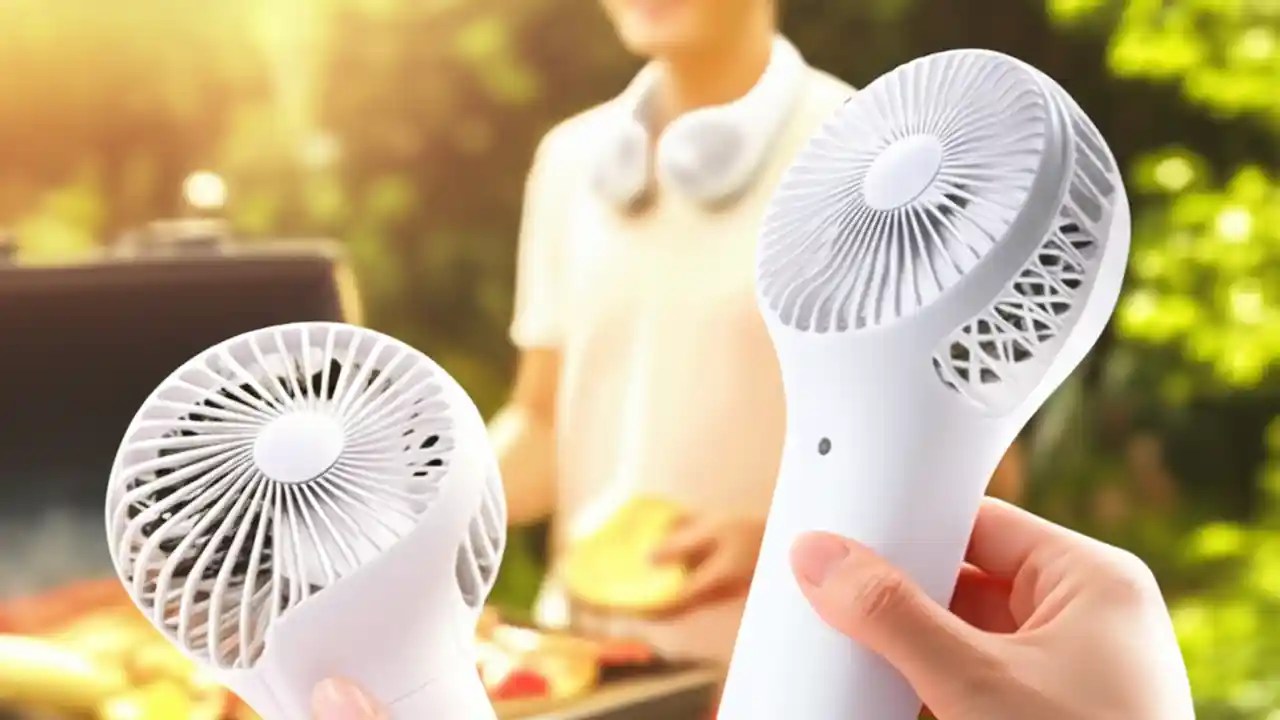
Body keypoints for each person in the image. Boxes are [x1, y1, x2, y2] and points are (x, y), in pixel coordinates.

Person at [308, 497, 1194, 720]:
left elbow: (978, 482)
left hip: (766, 651)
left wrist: (778, 529)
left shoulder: (851, 158)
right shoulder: (574, 169)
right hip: (591, 629)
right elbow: (542, 409)